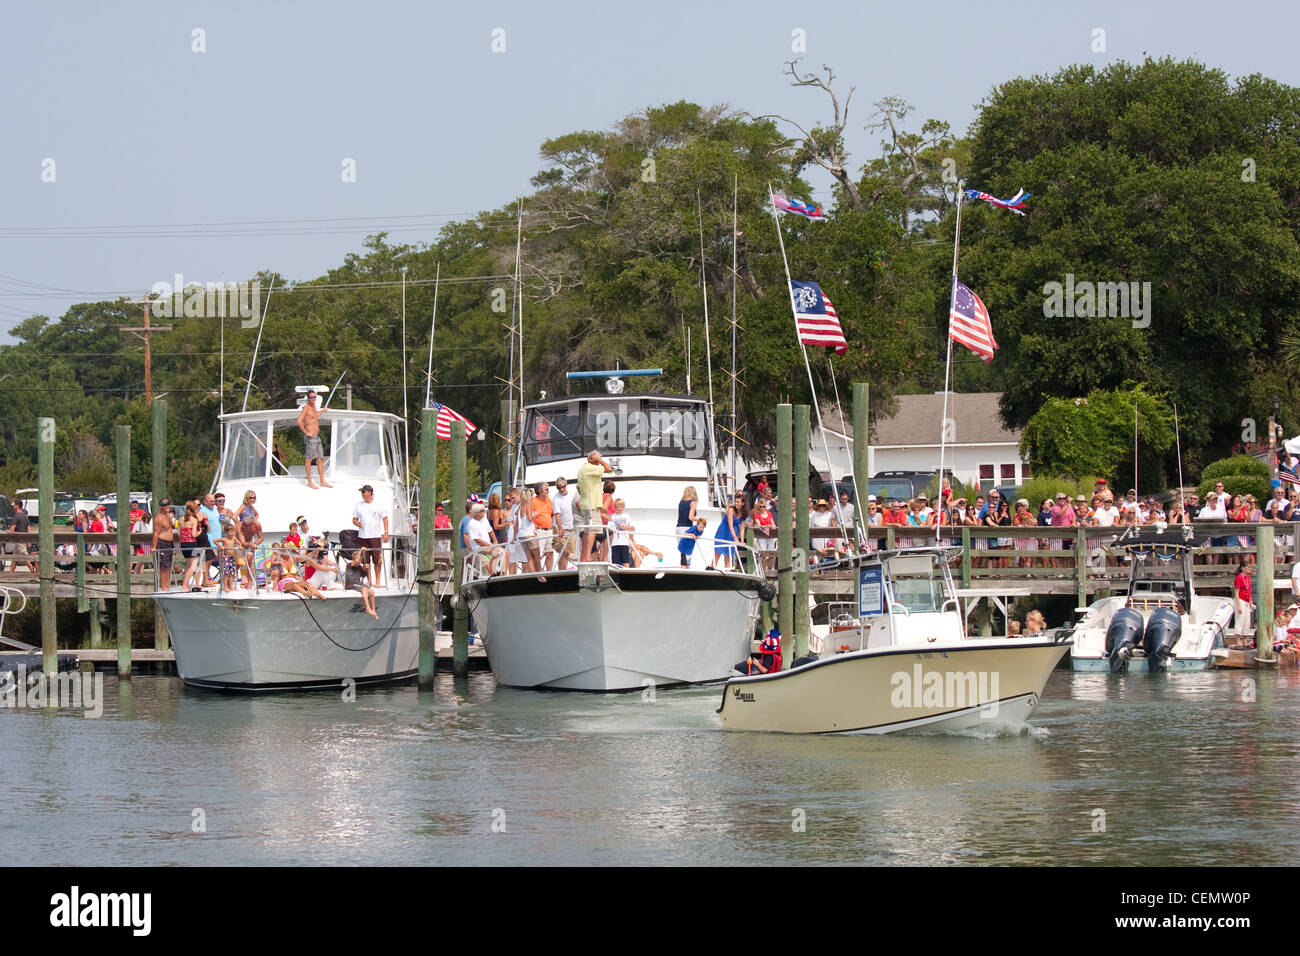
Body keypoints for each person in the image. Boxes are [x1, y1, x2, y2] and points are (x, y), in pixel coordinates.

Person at [578, 451, 613, 562]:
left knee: (588, 530)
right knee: (592, 530)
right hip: (591, 504)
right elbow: (609, 469)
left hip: (588, 503)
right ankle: (587, 556)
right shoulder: (589, 468)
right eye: (597, 459)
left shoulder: (584, 468)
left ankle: (584, 556)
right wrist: (599, 460)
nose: (599, 462)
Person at [352, 483, 388, 588]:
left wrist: (386, 532)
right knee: (365, 561)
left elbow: (385, 518)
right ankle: (369, 581)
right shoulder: (358, 505)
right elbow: (354, 519)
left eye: (364, 492)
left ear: (370, 493)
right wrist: (356, 523)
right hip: (363, 536)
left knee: (377, 560)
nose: (363, 494)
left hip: (375, 536)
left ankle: (377, 582)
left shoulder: (378, 504)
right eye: (362, 492)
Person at [296, 390, 331, 489]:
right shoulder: (306, 408)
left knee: (320, 459)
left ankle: (322, 481)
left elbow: (314, 417)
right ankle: (309, 481)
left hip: (317, 437)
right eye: (311, 397)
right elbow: (299, 421)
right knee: (309, 459)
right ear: (308, 398)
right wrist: (306, 433)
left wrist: (322, 411)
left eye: (315, 397)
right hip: (311, 438)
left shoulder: (314, 407)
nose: (313, 399)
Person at [550, 476, 578, 569]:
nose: (561, 489)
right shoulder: (556, 498)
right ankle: (561, 571)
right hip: (559, 527)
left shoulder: (572, 495)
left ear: (566, 485)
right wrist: (560, 528)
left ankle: (564, 569)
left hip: (570, 527)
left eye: (563, 486)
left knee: (568, 552)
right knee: (562, 552)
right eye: (559, 487)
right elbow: (557, 515)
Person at [343, 553, 379, 618]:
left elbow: (364, 575)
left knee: (371, 591)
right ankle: (367, 608)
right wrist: (361, 551)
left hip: (358, 584)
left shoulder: (359, 567)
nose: (359, 562)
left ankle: (373, 610)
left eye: (360, 560)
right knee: (364, 589)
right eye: (358, 560)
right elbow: (355, 562)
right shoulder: (349, 565)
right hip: (351, 585)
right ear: (354, 559)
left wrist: (366, 568)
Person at [530, 481, 555, 571]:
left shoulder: (549, 501)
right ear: (540, 491)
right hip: (539, 531)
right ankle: (538, 573)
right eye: (546, 489)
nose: (548, 491)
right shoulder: (533, 501)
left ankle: (549, 573)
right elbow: (528, 516)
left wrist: (550, 523)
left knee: (550, 553)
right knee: (538, 554)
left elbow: (552, 514)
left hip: (549, 531)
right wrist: (534, 526)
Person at [152, 498, 176, 591]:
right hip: (162, 543)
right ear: (161, 506)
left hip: (170, 543)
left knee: (169, 565)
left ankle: (167, 585)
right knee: (163, 566)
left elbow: (171, 527)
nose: (167, 506)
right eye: (165, 505)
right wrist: (154, 546)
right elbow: (155, 533)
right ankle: (164, 587)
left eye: (168, 504)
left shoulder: (168, 516)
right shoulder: (159, 518)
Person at [608, 498, 634, 567]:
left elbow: (633, 528)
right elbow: (609, 529)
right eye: (618, 507)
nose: (619, 508)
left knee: (626, 562)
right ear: (615, 507)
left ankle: (626, 576)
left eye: (621, 507)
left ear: (623, 507)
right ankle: (617, 577)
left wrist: (624, 527)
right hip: (615, 543)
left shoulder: (627, 516)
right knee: (616, 564)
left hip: (624, 542)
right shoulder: (612, 517)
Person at [1233, 560, 1253, 640]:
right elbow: (1236, 592)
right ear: (1243, 568)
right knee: (1240, 620)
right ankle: (1238, 640)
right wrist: (1239, 606)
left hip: (1247, 600)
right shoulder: (1238, 578)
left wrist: (1250, 600)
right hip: (1240, 600)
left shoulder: (1247, 577)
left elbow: (1248, 589)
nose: (1249, 568)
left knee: (1247, 621)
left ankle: (1244, 638)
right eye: (1247, 567)